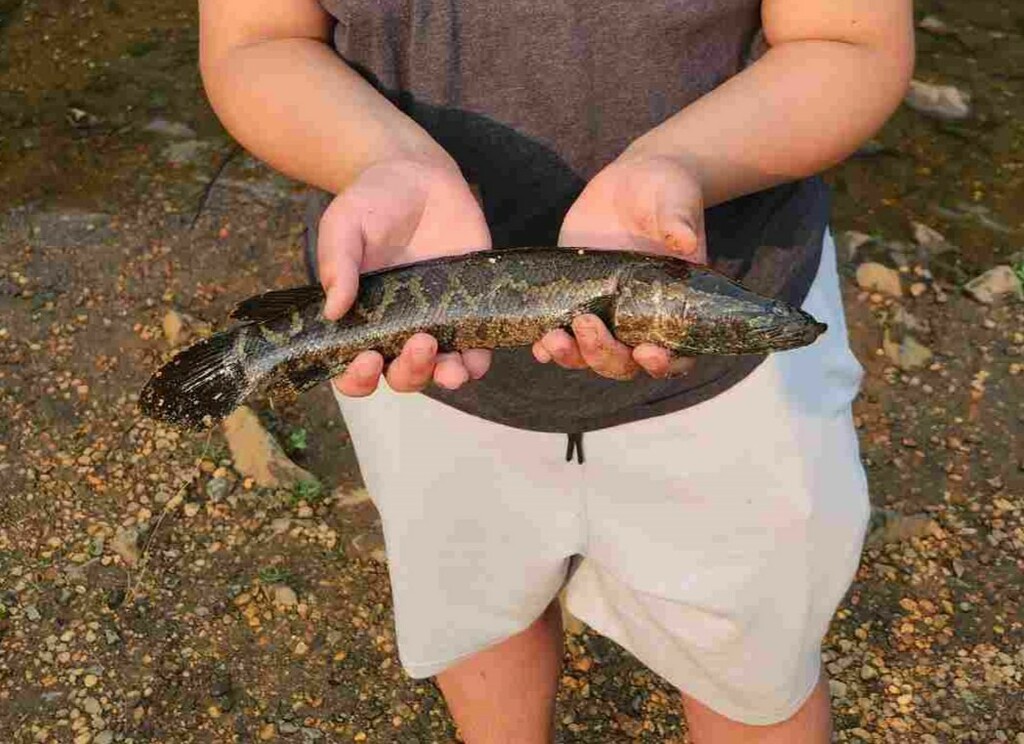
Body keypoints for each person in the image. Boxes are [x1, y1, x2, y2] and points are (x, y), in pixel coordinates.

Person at [198, 0, 914, 740]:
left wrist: (680, 165)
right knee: (478, 609)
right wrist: (382, 160)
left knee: (752, 660)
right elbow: (259, 38)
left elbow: (848, 40)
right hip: (416, 336)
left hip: (738, 366)